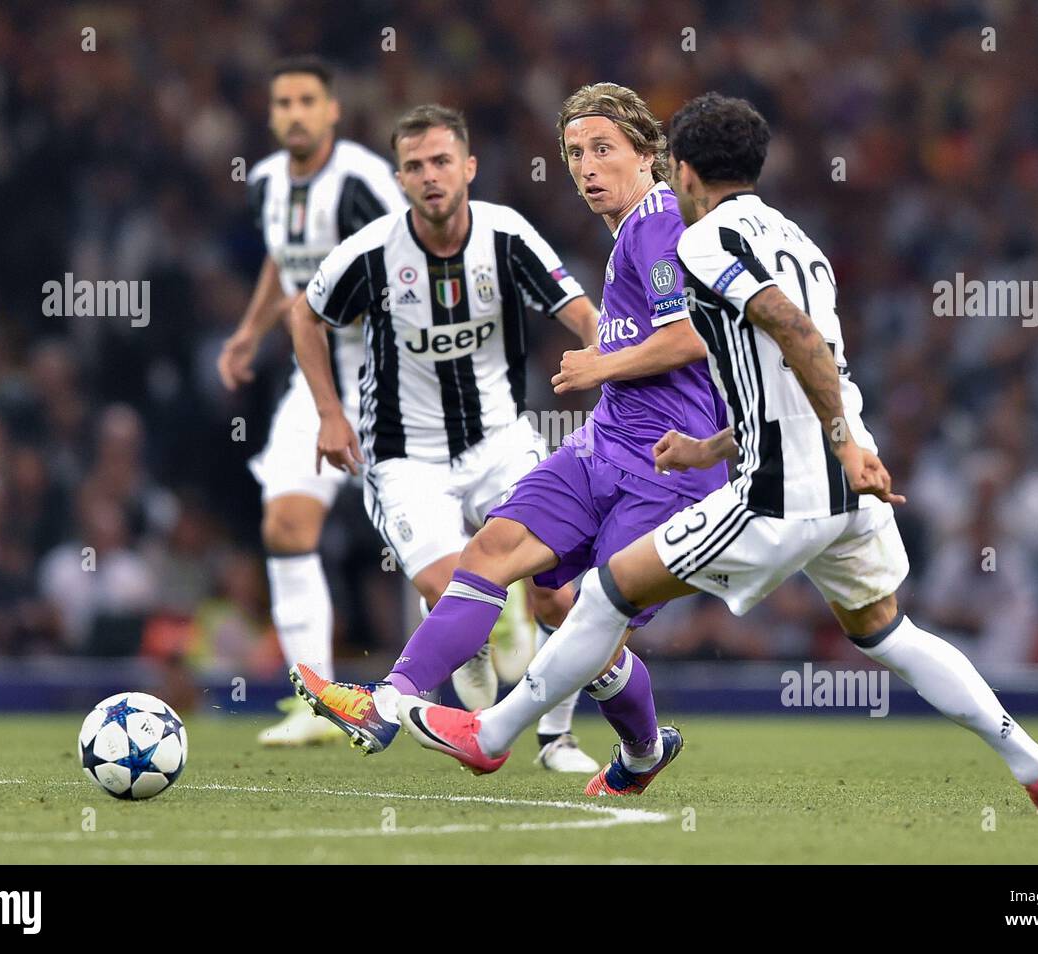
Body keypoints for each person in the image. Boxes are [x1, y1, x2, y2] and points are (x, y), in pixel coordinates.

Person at [400, 93, 1038, 813]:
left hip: (788, 485)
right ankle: (1033, 762)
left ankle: (493, 732)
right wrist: (719, 446)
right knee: (888, 632)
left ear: (683, 169)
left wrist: (839, 443)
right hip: (845, 480)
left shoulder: (703, 240)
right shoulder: (799, 243)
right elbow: (782, 369)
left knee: (604, 589)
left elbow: (792, 333)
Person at [290, 84, 729, 779]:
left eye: (604, 149)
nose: (587, 167)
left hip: (667, 469)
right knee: (491, 550)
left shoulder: (659, 222)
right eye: (576, 153)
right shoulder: (632, 228)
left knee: (590, 621)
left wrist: (600, 365)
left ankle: (632, 748)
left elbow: (691, 338)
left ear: (648, 153)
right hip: (604, 445)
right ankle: (388, 703)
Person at [217, 56, 407, 746]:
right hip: (316, 369)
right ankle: (316, 700)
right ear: (272, 115)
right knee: (286, 527)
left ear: (332, 111)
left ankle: (440, 681)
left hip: (392, 371)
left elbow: (410, 250)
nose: (295, 112)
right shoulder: (267, 181)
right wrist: (248, 333)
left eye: (308, 101)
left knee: (421, 539)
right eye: (284, 102)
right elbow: (280, 259)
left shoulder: (359, 179)